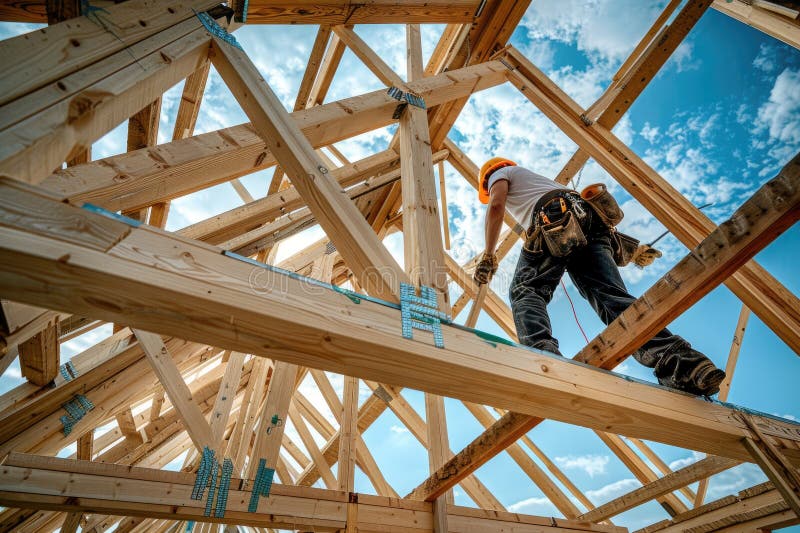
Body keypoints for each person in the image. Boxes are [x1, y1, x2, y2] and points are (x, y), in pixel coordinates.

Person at [473, 157, 726, 396]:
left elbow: (496, 205)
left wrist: (488, 254)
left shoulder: (499, 173)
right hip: (588, 217)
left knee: (526, 291)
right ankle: (687, 366)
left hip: (553, 218)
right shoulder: (539, 181)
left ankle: (543, 358)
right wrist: (634, 249)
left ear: (487, 179)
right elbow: (583, 221)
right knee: (611, 297)